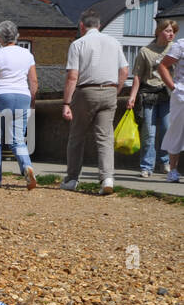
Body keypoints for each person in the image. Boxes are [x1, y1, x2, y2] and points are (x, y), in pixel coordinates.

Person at [61, 11, 128, 195]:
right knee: (105, 137)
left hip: (86, 91)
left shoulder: (78, 44)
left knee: (77, 136)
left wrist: (66, 102)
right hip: (110, 90)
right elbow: (124, 71)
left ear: (82, 26)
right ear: (99, 25)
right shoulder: (114, 42)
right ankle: (107, 178)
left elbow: (72, 76)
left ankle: (72, 179)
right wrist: (116, 91)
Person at [0, 20, 38, 189]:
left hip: (1, 96)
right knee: (18, 139)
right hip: (22, 96)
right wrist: (31, 101)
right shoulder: (27, 55)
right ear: (17, 36)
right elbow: (33, 81)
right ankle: (27, 166)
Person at [126, 19, 177, 178]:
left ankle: (165, 162)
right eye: (168, 30)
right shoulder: (145, 51)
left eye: (173, 31)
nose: (171, 34)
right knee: (149, 131)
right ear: (159, 31)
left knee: (167, 129)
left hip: (168, 95)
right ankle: (147, 166)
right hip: (149, 94)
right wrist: (132, 97)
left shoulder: (175, 49)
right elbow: (137, 76)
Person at [155, 31, 184, 183]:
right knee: (176, 131)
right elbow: (162, 66)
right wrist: (174, 88)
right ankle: (173, 170)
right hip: (182, 95)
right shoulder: (180, 45)